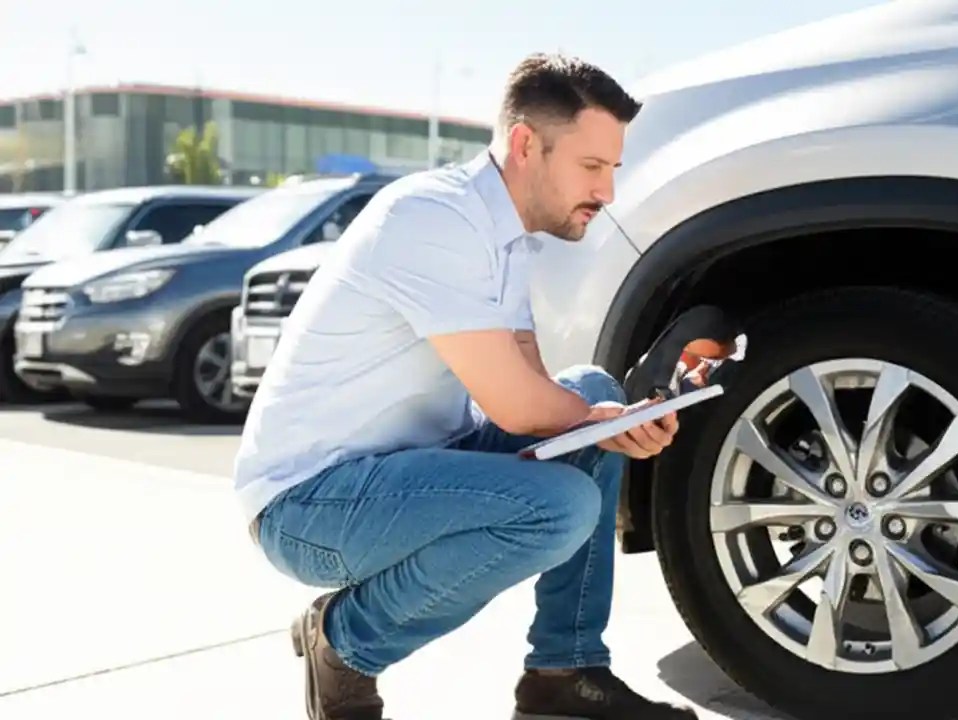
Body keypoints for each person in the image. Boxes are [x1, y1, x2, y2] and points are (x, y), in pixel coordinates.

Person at [232, 52, 702, 720]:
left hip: (408, 471)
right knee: (560, 506)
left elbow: (536, 391)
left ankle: (563, 670)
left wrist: (607, 419)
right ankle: (343, 641)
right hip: (310, 503)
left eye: (612, 169)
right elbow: (519, 408)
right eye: (592, 167)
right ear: (524, 145)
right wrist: (606, 421)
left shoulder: (506, 238)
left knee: (592, 390)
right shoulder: (432, 220)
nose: (608, 192)